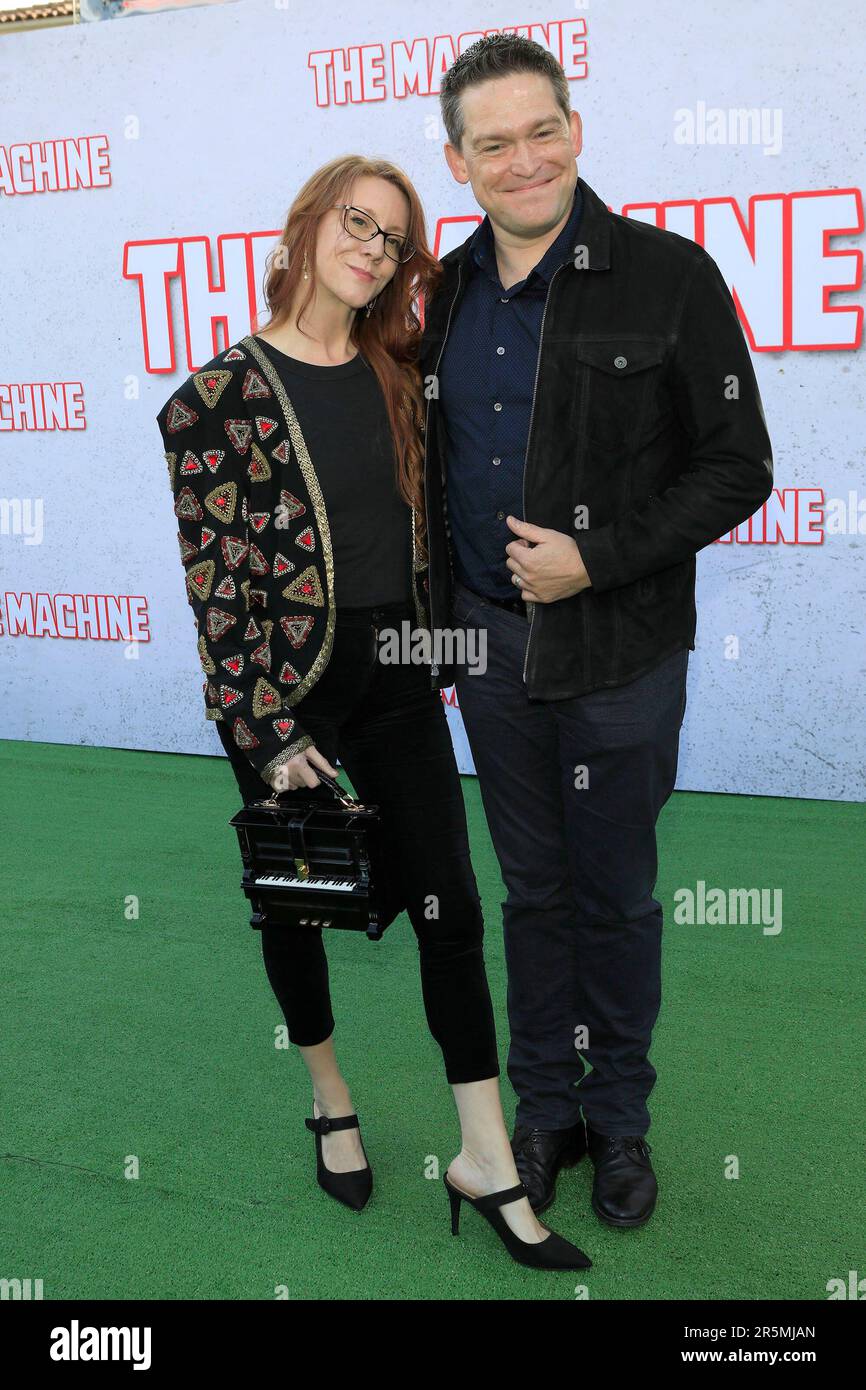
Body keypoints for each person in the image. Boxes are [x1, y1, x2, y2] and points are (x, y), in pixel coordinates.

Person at [155, 155, 590, 1271]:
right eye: (355, 221)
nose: (370, 246)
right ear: (306, 225)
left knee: (452, 904)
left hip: (397, 676)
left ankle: (485, 1156)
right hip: (284, 697)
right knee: (292, 904)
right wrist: (265, 733)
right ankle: (330, 1096)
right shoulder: (213, 399)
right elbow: (217, 588)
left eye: (392, 238)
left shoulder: (403, 370)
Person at [420, 35, 774, 1227]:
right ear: (458, 163)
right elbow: (423, 475)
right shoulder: (442, 295)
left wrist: (596, 557)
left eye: (540, 130)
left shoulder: (669, 277)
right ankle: (544, 1109)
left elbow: (738, 466)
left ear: (573, 127)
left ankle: (619, 1122)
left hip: (620, 651)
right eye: (492, 143)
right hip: (489, 655)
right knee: (530, 892)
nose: (523, 160)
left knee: (613, 894)